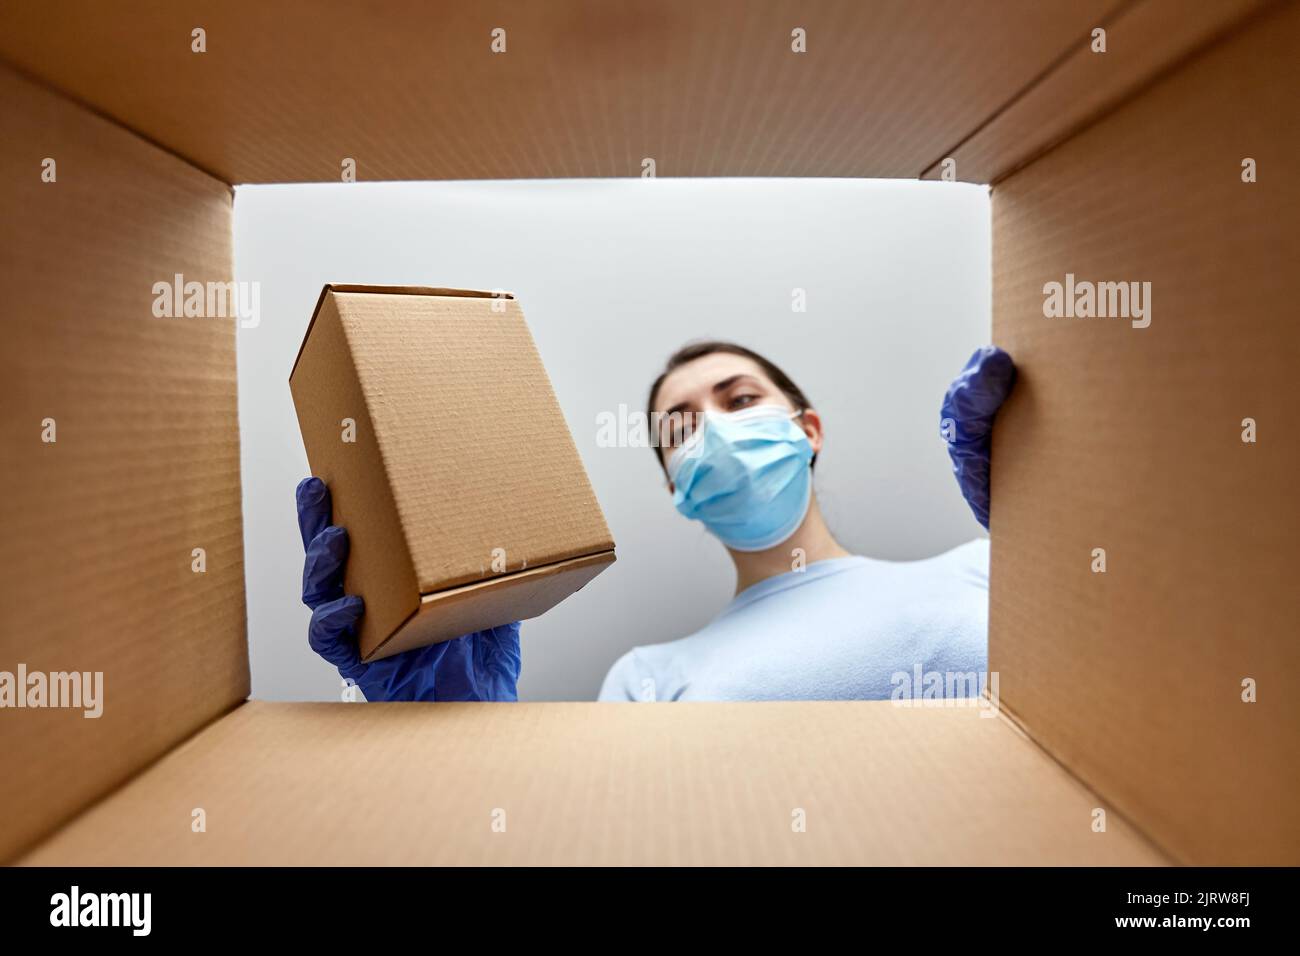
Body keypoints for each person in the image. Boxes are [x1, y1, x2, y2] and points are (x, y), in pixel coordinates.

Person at [296, 344, 1016, 702]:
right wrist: (454, 737)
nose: (717, 432)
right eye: (682, 429)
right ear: (677, 486)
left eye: (740, 401)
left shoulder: (984, 569)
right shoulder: (648, 680)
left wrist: (1046, 540)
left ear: (810, 430)